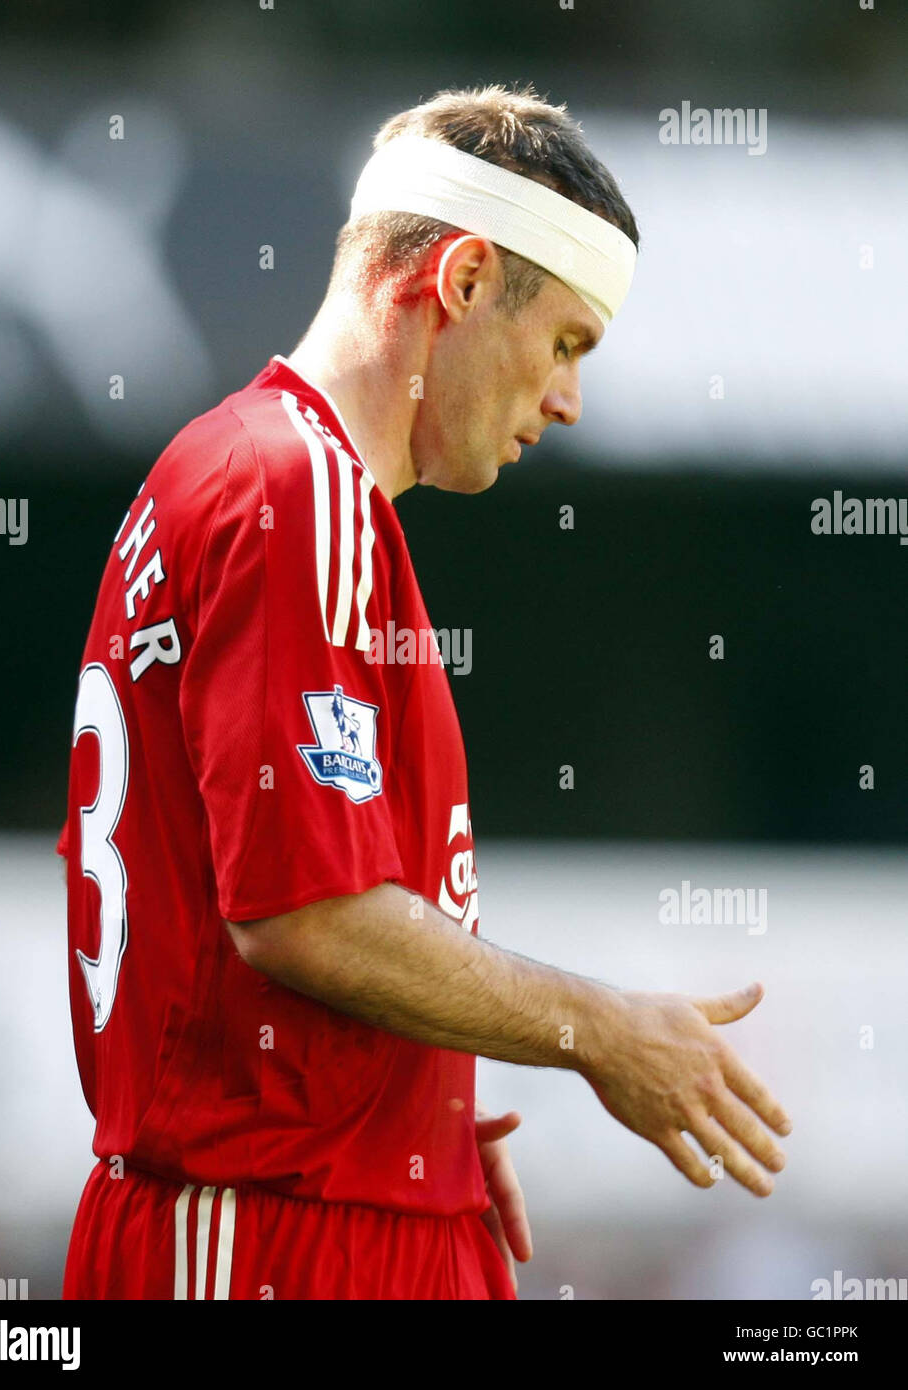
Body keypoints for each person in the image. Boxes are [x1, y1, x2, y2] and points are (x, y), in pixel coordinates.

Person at [59, 83, 790, 1302]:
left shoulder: (246, 471)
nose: (565, 400)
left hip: (330, 1205)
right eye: (563, 343)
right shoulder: (294, 497)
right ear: (456, 282)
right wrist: (598, 1033)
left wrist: (414, 1117)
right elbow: (301, 911)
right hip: (263, 1235)